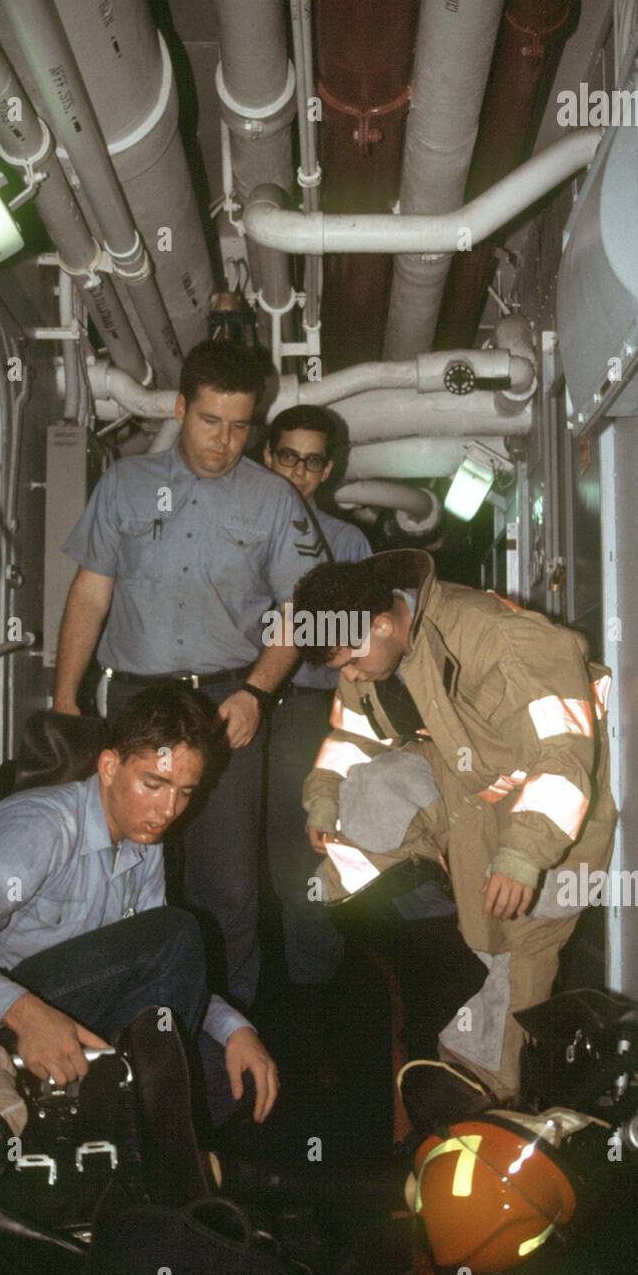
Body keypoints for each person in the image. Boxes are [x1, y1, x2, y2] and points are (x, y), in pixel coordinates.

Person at [53, 341, 326, 1009]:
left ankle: (225, 1036)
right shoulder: (123, 484)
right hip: (135, 701)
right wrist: (65, 698)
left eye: (240, 427)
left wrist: (259, 692)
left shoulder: (274, 502)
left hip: (227, 700)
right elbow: (90, 592)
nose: (224, 442)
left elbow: (302, 613)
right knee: (118, 877)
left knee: (229, 890)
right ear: (181, 408)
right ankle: (128, 1033)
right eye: (210, 422)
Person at [293, 549, 618, 1101]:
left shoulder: (500, 638)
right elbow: (352, 738)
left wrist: (522, 857)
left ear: (383, 623)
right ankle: (449, 968)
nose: (347, 676)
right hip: (469, 799)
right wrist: (325, 800)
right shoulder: (377, 652)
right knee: (473, 928)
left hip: (558, 812)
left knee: (519, 949)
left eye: (349, 661)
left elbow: (564, 760)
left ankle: (499, 1095)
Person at [0, 687, 279, 1123]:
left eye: (185, 792)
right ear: (110, 766)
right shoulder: (41, 828)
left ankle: (90, 1132)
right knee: (176, 932)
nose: (169, 809)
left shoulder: (144, 840)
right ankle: (128, 1144)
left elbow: (169, 973)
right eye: (154, 784)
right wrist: (22, 1013)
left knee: (235, 1077)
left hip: (70, 1008)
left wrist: (236, 1028)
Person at [262, 406, 371, 985]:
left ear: (326, 470)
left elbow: (355, 643)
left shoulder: (348, 543)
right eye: (287, 458)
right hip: (236, 708)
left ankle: (312, 996)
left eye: (311, 462)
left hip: (308, 716)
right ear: (267, 457)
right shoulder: (239, 528)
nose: (297, 473)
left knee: (305, 858)